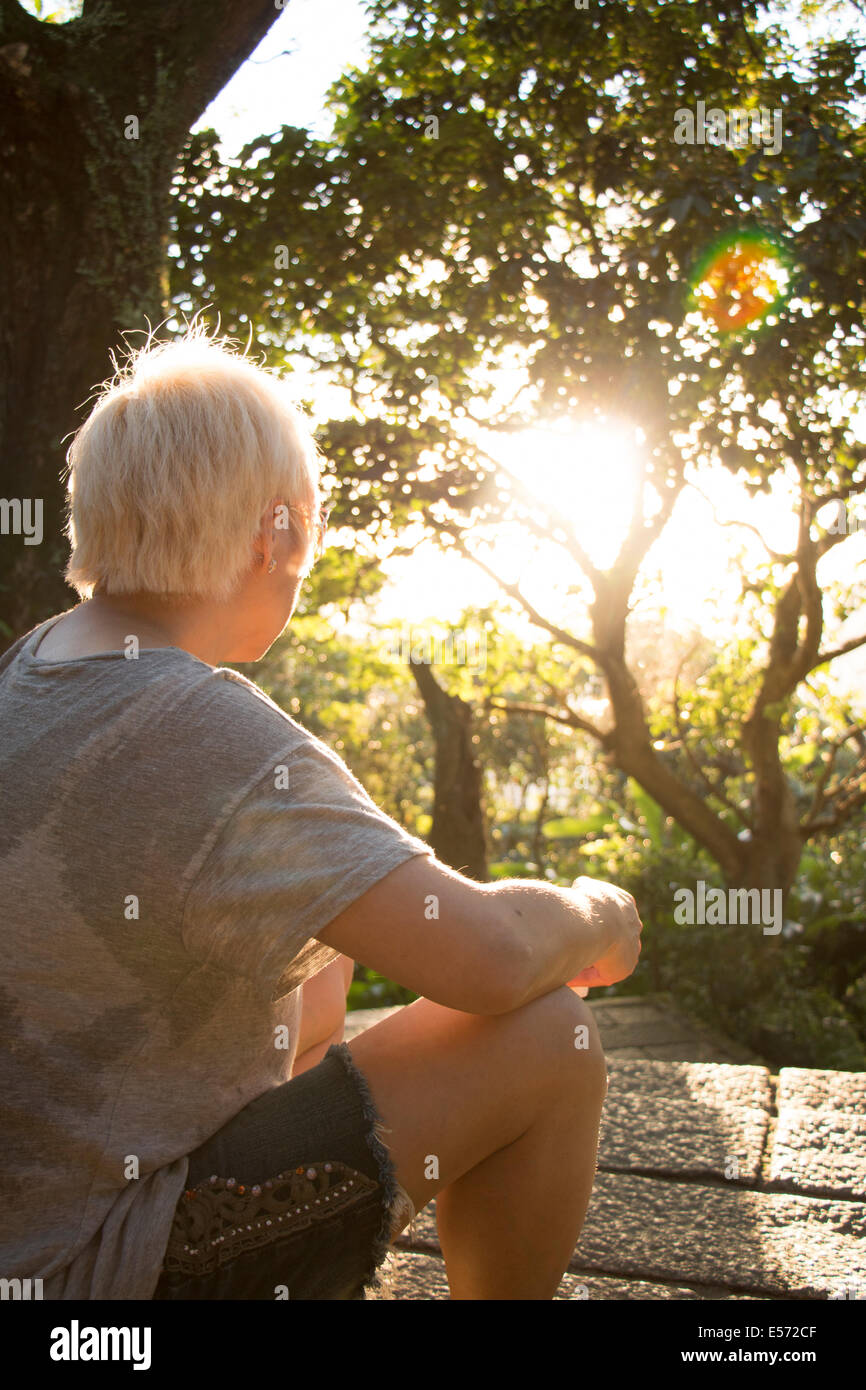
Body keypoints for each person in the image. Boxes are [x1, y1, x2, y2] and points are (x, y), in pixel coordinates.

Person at [0, 326, 642, 1301]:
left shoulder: (28, 669)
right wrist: (598, 912)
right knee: (543, 1032)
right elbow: (487, 957)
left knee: (323, 951)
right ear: (279, 533)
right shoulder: (211, 733)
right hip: (104, 1276)